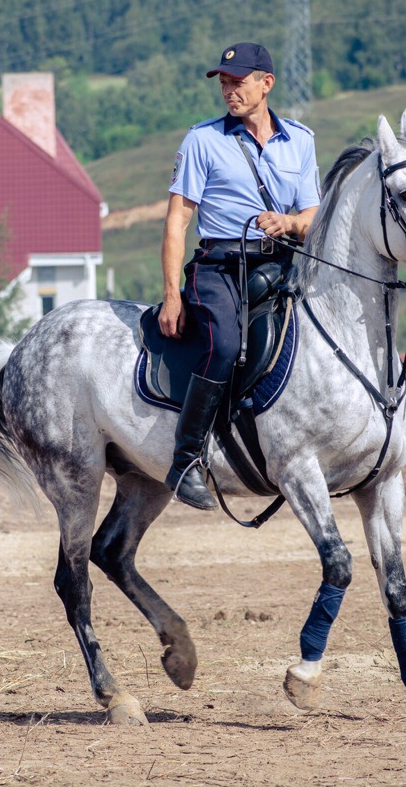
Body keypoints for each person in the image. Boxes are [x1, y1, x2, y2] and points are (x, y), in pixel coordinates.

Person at [160, 42, 321, 510]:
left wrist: (289, 223)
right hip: (219, 268)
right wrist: (172, 295)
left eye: (238, 82)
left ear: (265, 83)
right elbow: (177, 222)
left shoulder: (302, 141)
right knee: (226, 345)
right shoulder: (201, 140)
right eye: (224, 84)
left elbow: (313, 214)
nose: (229, 92)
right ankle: (185, 458)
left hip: (278, 265)